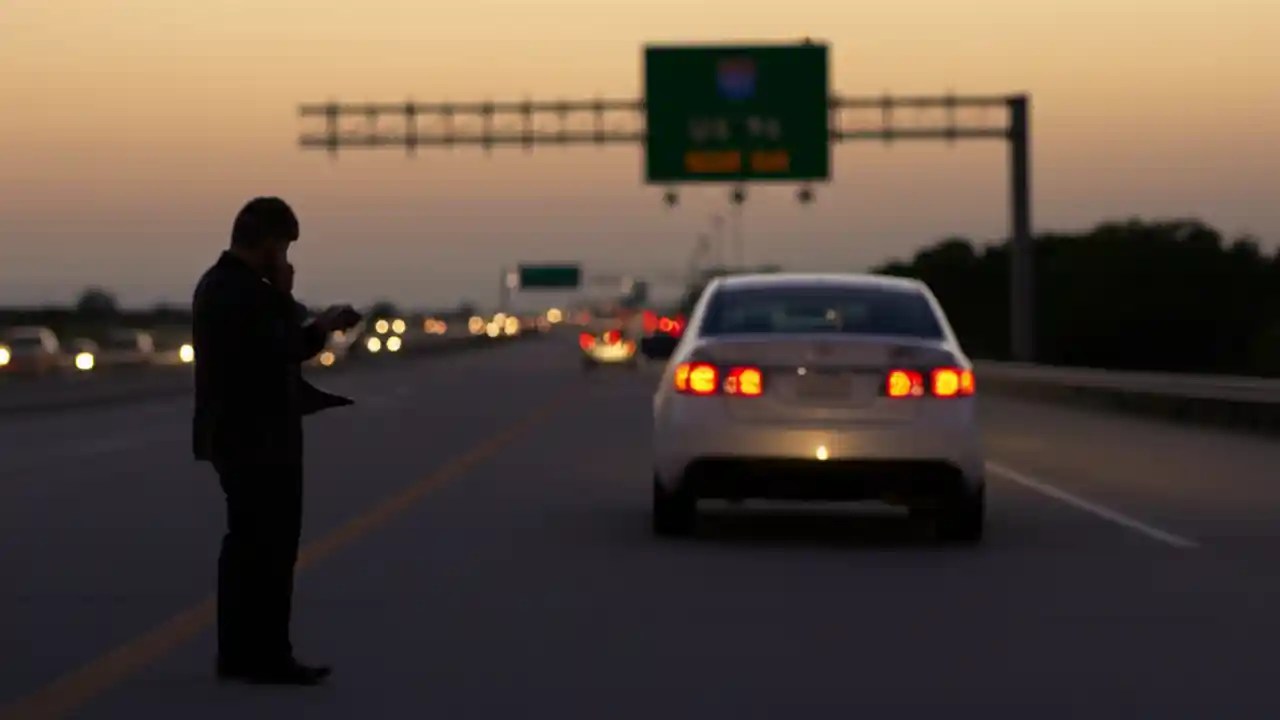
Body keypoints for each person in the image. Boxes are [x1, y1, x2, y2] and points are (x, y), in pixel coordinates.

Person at [192, 197, 361, 685]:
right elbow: (282, 348)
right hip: (255, 439)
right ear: (266, 243)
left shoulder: (228, 286)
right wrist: (294, 304)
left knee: (249, 549)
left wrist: (315, 322)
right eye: (282, 247)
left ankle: (242, 654)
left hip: (247, 436)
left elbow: (279, 346)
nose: (285, 257)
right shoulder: (235, 290)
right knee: (266, 551)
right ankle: (265, 656)